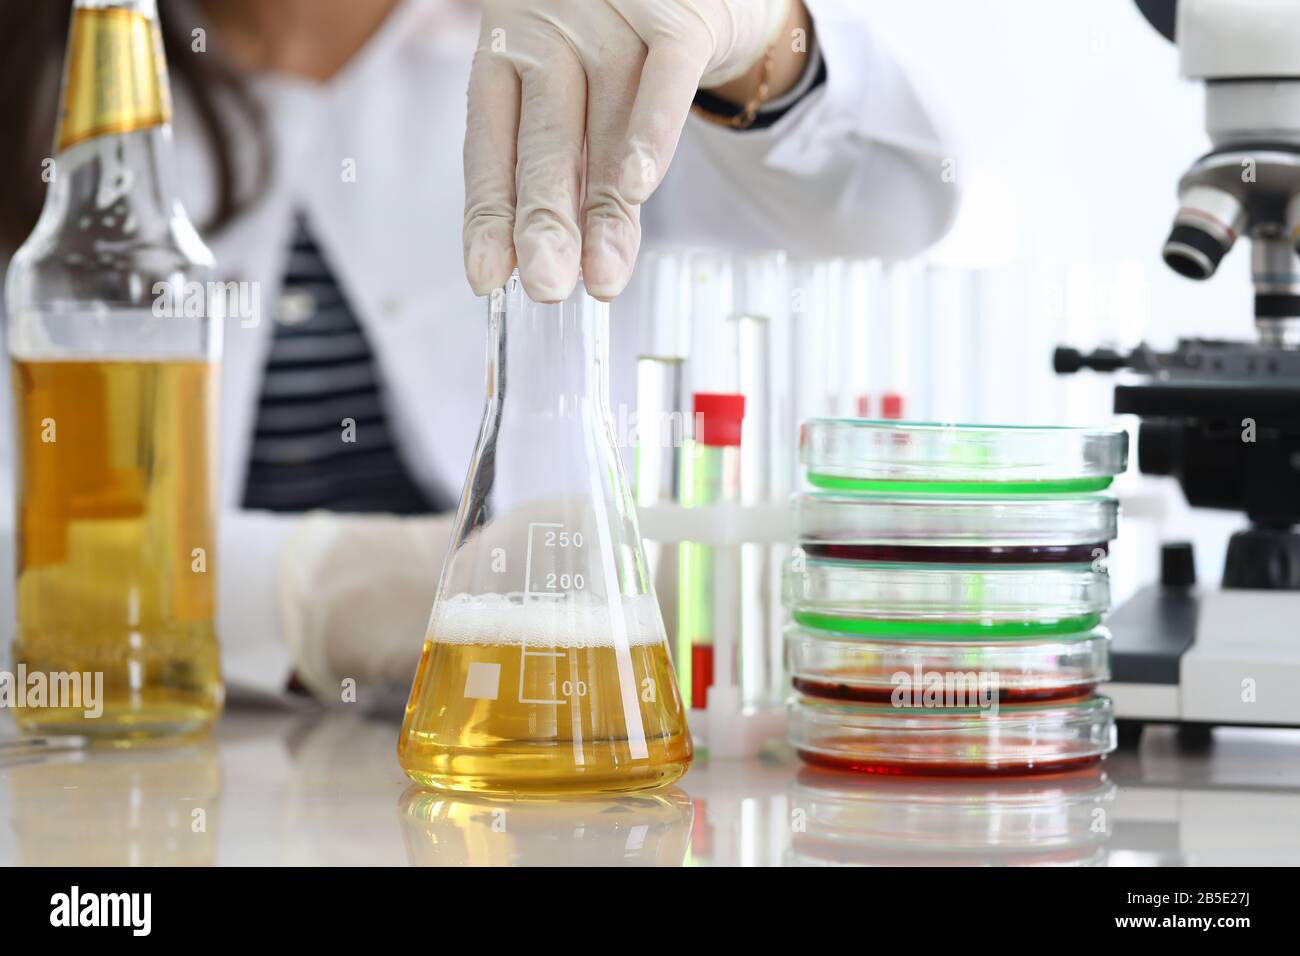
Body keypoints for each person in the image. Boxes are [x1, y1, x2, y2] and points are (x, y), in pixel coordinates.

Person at [0, 0, 958, 705]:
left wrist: (759, 42)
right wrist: (307, 589)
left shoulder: (567, 24)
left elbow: (897, 203)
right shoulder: (59, 83)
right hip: (150, 771)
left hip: (546, 744)